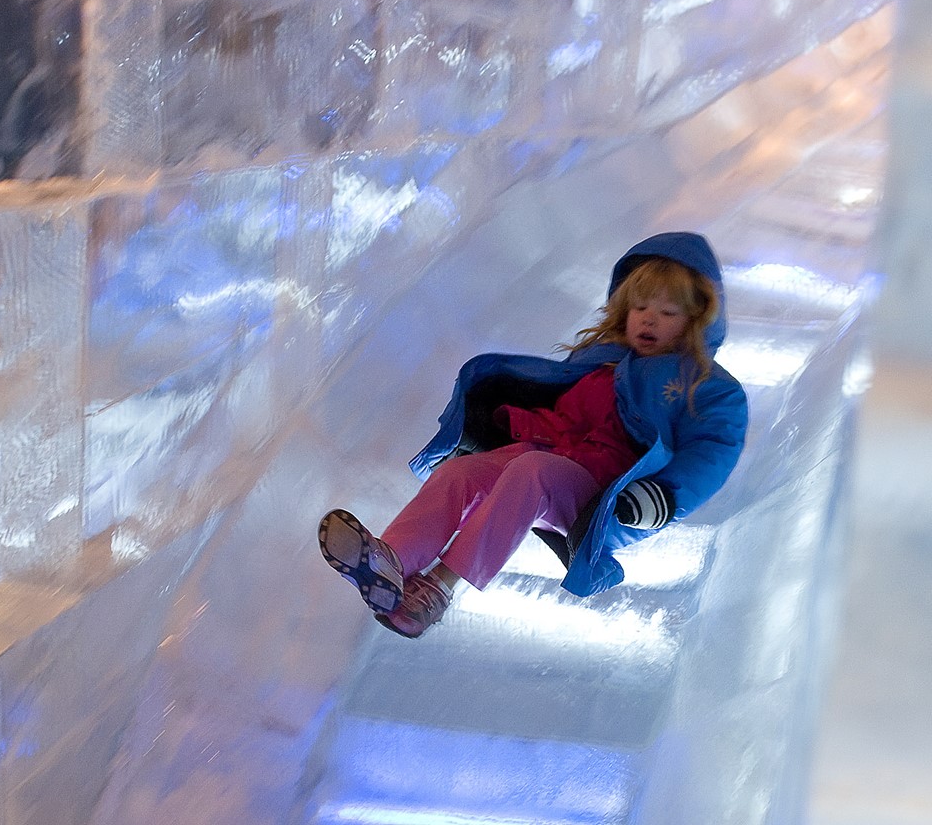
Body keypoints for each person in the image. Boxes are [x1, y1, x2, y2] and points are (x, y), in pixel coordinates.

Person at [318, 231, 748, 638]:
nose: (649, 320)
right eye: (640, 308)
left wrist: (662, 498)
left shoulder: (706, 386)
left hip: (610, 493)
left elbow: (713, 451)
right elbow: (562, 411)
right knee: (463, 473)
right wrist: (507, 415)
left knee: (532, 472)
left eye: (667, 312)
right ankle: (391, 561)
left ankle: (439, 587)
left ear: (697, 318)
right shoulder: (604, 360)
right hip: (556, 456)